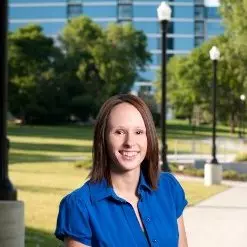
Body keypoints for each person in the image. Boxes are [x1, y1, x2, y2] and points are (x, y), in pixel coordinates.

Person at [55, 94, 188, 247]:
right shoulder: (79, 206)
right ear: (103, 138)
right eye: (119, 132)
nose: (130, 142)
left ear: (148, 137)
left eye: (138, 132)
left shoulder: (168, 187)